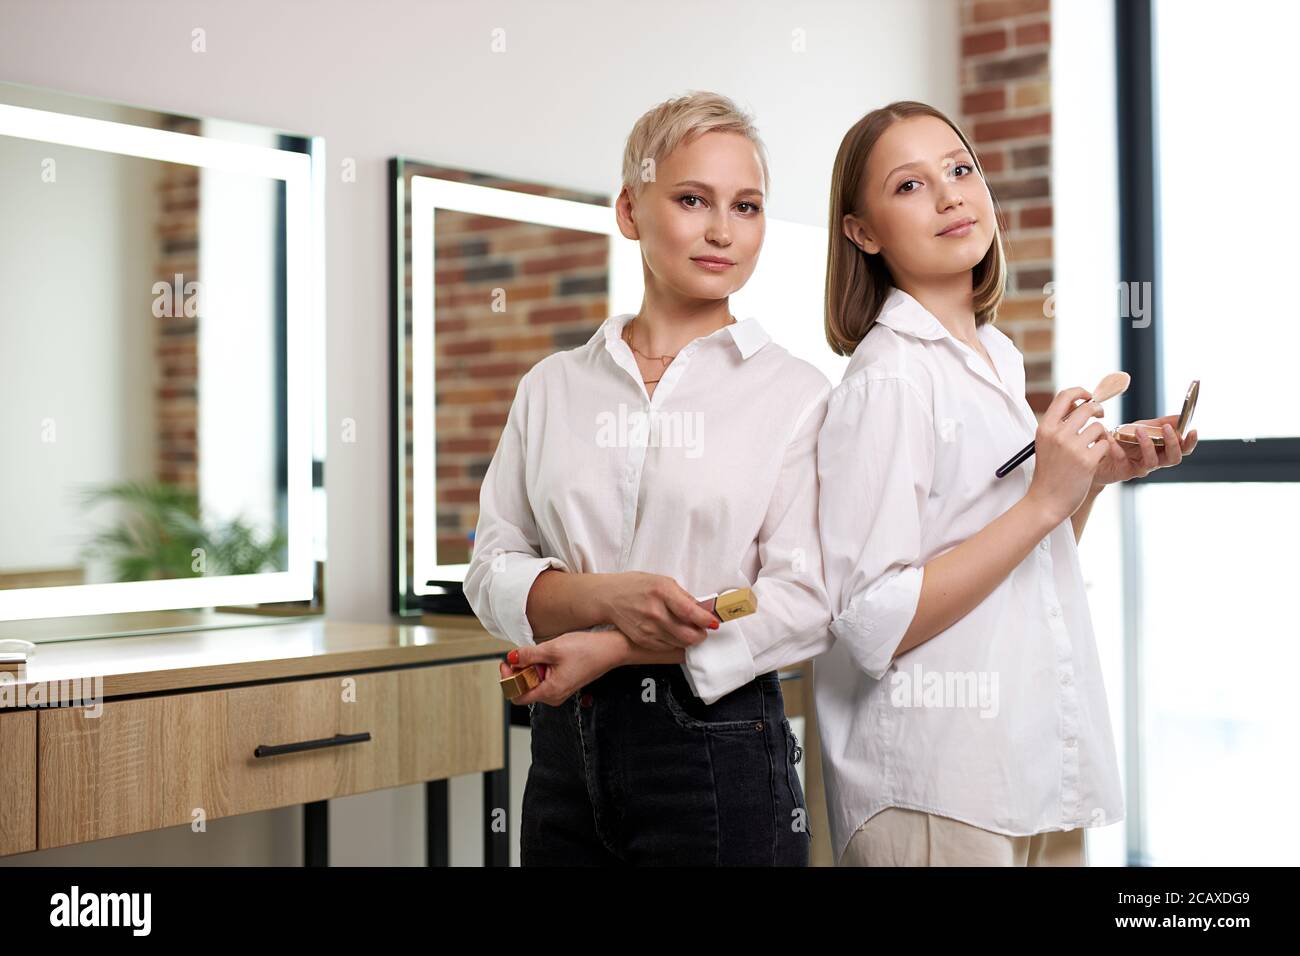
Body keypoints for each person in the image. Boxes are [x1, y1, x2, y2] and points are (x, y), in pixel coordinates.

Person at [814, 101, 1198, 866]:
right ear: (862, 231)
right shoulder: (889, 377)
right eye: (911, 186)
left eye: (961, 170)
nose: (952, 195)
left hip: (1026, 767)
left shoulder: (997, 356)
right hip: (934, 782)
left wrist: (1086, 484)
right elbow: (870, 620)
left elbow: (1022, 562)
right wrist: (1044, 500)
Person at [463, 91, 832, 866]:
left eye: (748, 205)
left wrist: (611, 648)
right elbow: (492, 567)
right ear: (630, 210)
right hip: (564, 751)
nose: (723, 230)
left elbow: (805, 601)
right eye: (693, 199)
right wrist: (606, 597)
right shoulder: (552, 386)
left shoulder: (796, 395)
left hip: (718, 743)